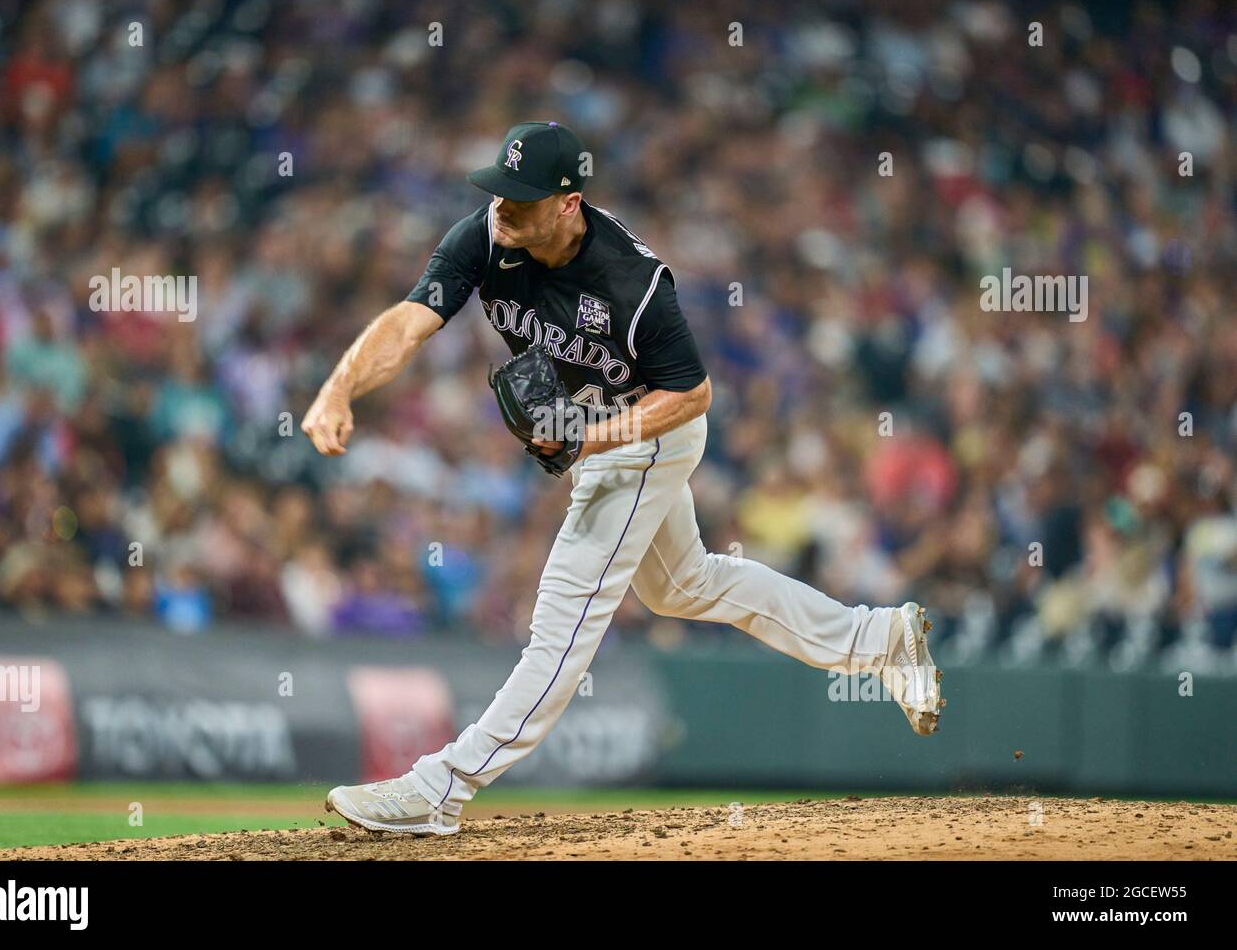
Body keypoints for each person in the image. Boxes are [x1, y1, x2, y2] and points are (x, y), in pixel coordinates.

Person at [304, 122, 942, 837]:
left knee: (562, 623)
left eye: (522, 197)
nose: (503, 207)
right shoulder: (485, 236)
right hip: (603, 430)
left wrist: (585, 436)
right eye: (500, 192)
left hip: (649, 430)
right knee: (686, 584)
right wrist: (339, 387)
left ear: (568, 202)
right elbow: (408, 323)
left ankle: (440, 788)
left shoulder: (631, 281)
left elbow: (694, 393)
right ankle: (878, 639)